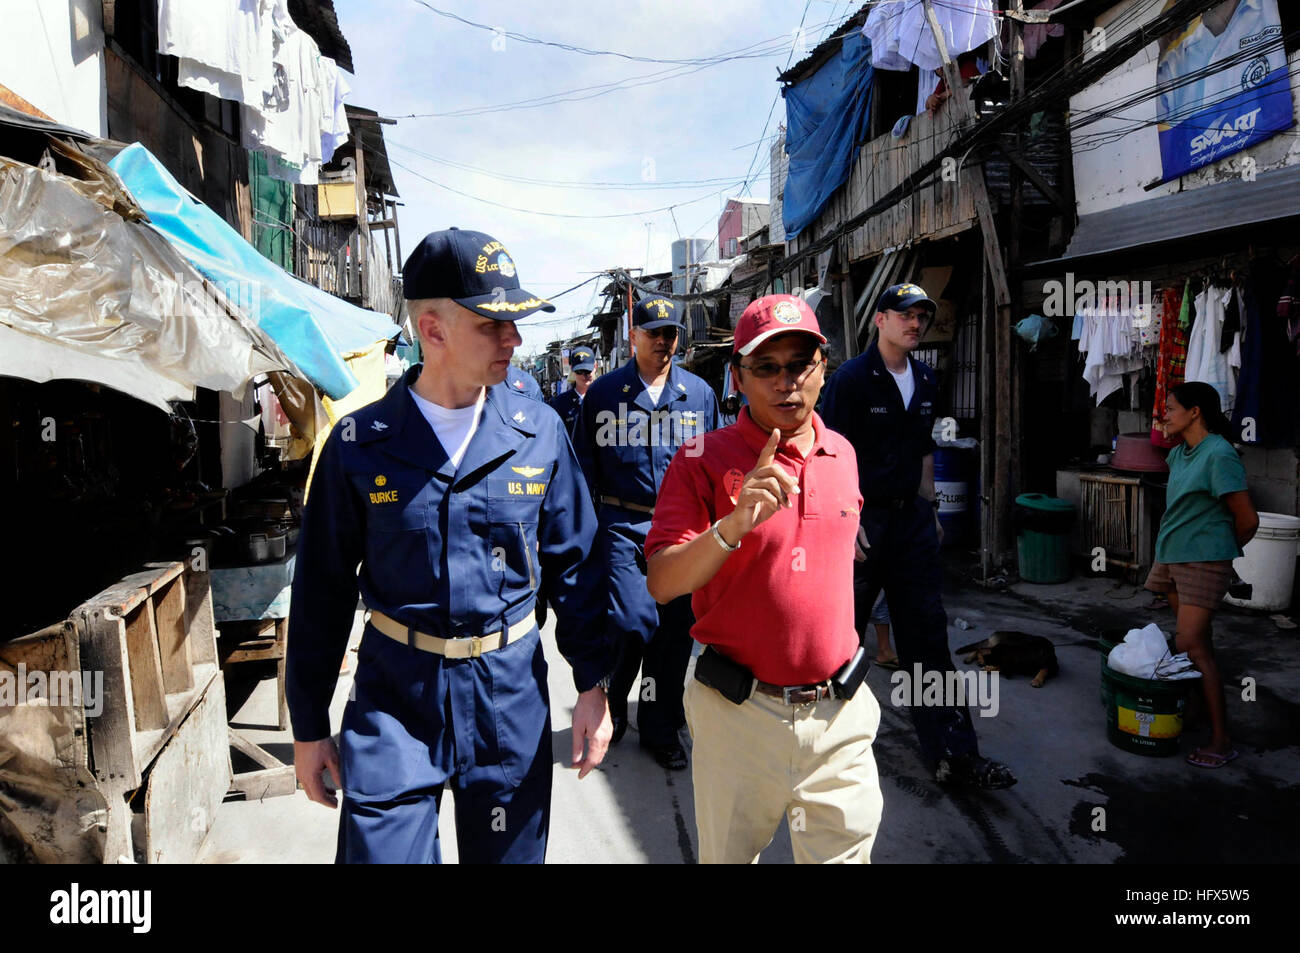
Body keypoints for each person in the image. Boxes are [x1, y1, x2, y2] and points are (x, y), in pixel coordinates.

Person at [287, 227, 615, 864]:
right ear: (432, 330)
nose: (513, 339)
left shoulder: (538, 432)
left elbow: (575, 564)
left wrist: (594, 683)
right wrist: (308, 727)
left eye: (514, 323)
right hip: (394, 702)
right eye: (493, 325)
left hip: (507, 695)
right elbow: (321, 593)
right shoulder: (360, 445)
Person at [645, 294, 882, 863]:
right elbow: (662, 583)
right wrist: (731, 527)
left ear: (823, 367)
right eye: (766, 368)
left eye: (799, 363)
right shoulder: (700, 458)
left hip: (839, 720)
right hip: (739, 718)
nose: (786, 382)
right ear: (738, 378)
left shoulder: (842, 452)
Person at [821, 282, 1016, 790]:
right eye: (906, 315)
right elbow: (827, 451)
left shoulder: (927, 378)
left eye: (922, 317)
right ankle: (817, 748)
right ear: (880, 319)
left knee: (927, 638)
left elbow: (924, 449)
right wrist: (847, 514)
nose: (916, 323)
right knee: (841, 638)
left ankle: (955, 752)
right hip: (863, 522)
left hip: (911, 523)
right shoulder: (850, 379)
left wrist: (930, 506)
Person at [573, 295, 720, 769]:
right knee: (632, 623)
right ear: (633, 336)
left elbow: (715, 465)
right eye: (653, 332)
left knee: (675, 633)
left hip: (682, 529)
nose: (663, 341)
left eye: (670, 333)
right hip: (622, 525)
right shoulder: (603, 395)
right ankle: (612, 709)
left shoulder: (698, 394)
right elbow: (583, 471)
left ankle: (661, 728)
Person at [1145, 381, 1258, 768]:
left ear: (1195, 412)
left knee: (1191, 644)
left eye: (1171, 408)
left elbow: (1247, 520)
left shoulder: (1219, 455)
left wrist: (1219, 556)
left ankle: (1221, 740)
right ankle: (1196, 713)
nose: (1164, 414)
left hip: (1202, 561)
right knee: (1193, 646)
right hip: (1171, 556)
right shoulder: (1179, 455)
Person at [548, 346, 596, 440]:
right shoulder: (559, 404)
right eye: (579, 371)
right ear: (572, 369)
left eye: (587, 371)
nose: (584, 375)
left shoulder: (606, 398)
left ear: (595, 366)